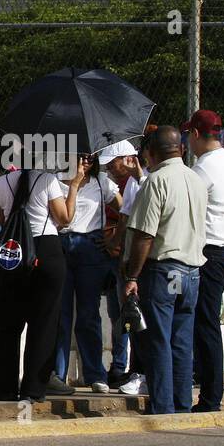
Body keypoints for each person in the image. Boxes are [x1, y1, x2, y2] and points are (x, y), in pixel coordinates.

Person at [122, 126, 208, 416]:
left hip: (164, 272)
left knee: (158, 341)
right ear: (180, 149)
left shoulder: (156, 182)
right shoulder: (196, 180)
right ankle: (182, 405)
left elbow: (145, 235)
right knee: (182, 343)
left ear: (151, 153)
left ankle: (164, 407)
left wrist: (132, 276)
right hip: (193, 272)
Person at [0, 164, 79, 401]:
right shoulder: (48, 181)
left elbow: (2, 221)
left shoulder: (0, 184)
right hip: (46, 251)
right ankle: (33, 389)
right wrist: (74, 186)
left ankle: (5, 387)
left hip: (14, 252)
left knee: (7, 324)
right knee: (43, 324)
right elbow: (64, 219)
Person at [52, 153, 122, 394]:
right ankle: (56, 375)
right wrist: (73, 184)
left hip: (91, 246)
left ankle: (95, 374)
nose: (85, 163)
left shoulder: (102, 181)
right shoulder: (57, 180)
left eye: (90, 159)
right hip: (62, 243)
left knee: (89, 314)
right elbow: (63, 218)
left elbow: (125, 208)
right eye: (80, 158)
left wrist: (114, 236)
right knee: (60, 315)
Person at [186, 109, 224, 412]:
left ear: (196, 135)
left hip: (212, 251)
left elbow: (191, 214)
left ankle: (211, 397)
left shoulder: (201, 170)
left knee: (207, 323)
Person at [99, 140, 143, 390]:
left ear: (127, 159)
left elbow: (128, 219)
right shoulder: (122, 183)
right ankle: (119, 365)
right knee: (118, 313)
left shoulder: (136, 182)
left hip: (129, 258)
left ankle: (133, 368)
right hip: (118, 256)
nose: (109, 170)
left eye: (112, 165)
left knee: (130, 313)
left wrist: (115, 238)